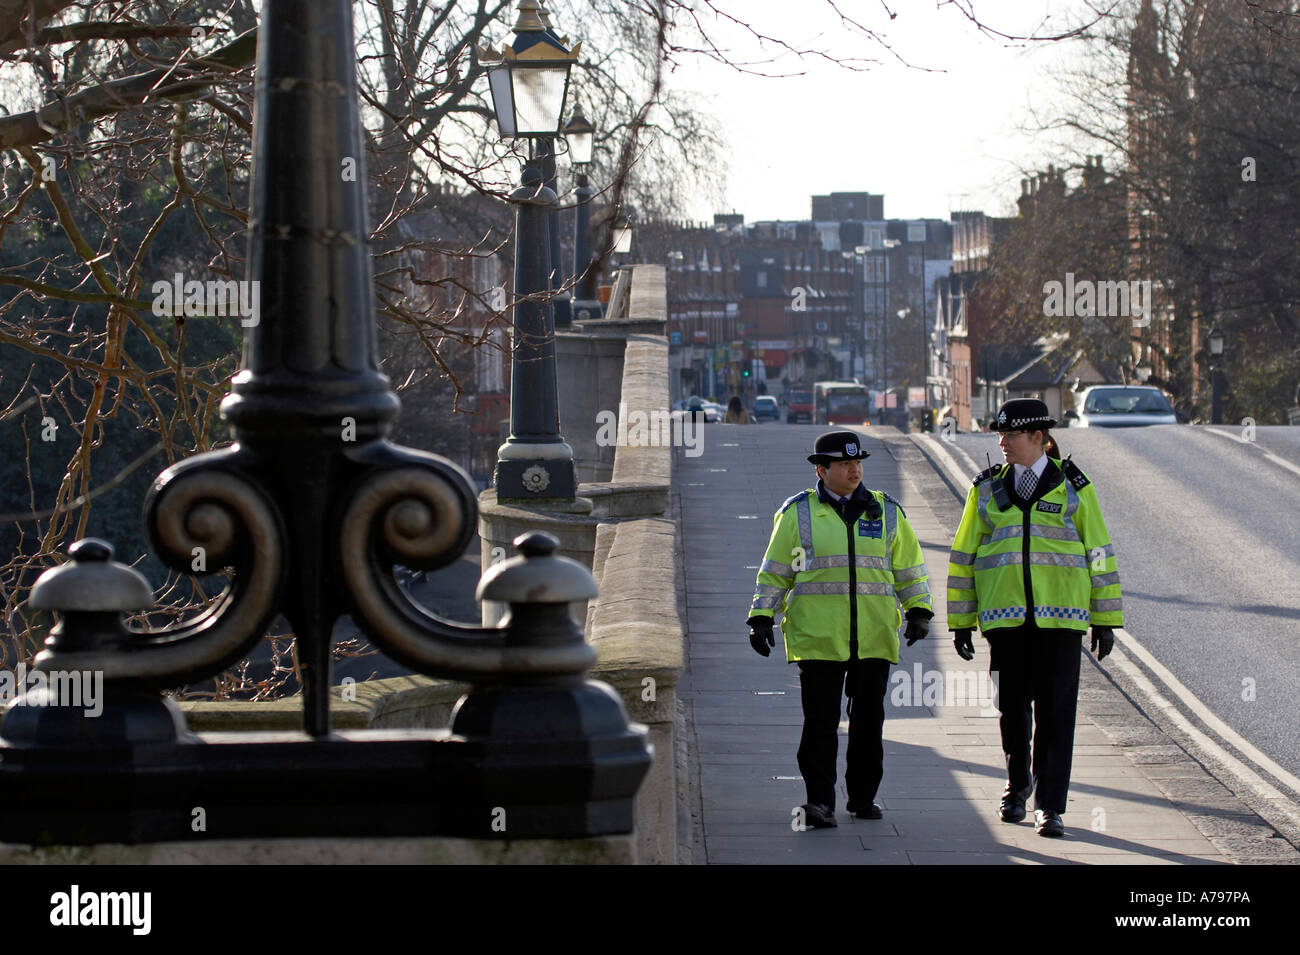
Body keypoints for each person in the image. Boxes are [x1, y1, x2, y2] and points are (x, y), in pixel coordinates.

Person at [946, 398, 1121, 838]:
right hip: (1005, 622)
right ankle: (1017, 787)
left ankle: (1051, 806)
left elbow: (1098, 553)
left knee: (1057, 715)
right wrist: (962, 622)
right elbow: (964, 556)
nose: (1002, 442)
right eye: (1000, 435)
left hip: (1061, 623)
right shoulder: (985, 489)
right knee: (1011, 709)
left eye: (1011, 435)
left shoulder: (1075, 488)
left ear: (1039, 438)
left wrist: (1104, 618)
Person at [747, 431, 934, 828]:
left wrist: (919, 609)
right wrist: (761, 617)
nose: (854, 470)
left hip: (874, 635)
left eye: (858, 463)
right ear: (822, 469)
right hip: (818, 636)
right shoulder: (797, 513)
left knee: (868, 722)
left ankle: (863, 798)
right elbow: (776, 571)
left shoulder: (886, 511)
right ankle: (820, 802)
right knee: (820, 723)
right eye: (845, 464)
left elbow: (909, 568)